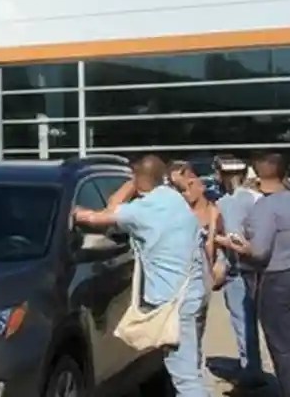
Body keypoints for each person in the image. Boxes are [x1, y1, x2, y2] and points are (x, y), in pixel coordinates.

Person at [73, 155, 209, 397]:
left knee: (186, 379)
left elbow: (98, 216)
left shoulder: (141, 211)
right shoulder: (173, 198)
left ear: (138, 179)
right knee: (189, 367)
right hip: (194, 292)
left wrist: (75, 211)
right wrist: (138, 179)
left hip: (175, 304)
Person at [216, 152, 290, 397]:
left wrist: (240, 248)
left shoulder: (264, 208)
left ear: (256, 177)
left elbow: (260, 252)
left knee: (284, 352)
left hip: (276, 283)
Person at [168, 162, 226, 371]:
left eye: (185, 186)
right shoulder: (176, 213)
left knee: (194, 332)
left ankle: (193, 373)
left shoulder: (213, 212)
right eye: (176, 188)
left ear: (198, 184)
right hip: (177, 280)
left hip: (200, 280)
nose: (183, 193)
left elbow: (216, 249)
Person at [213, 155, 263, 386]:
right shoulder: (255, 198)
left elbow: (233, 236)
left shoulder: (227, 202)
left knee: (242, 320)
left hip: (239, 268)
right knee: (251, 320)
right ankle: (253, 367)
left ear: (225, 175)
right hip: (257, 268)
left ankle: (251, 371)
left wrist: (215, 239)